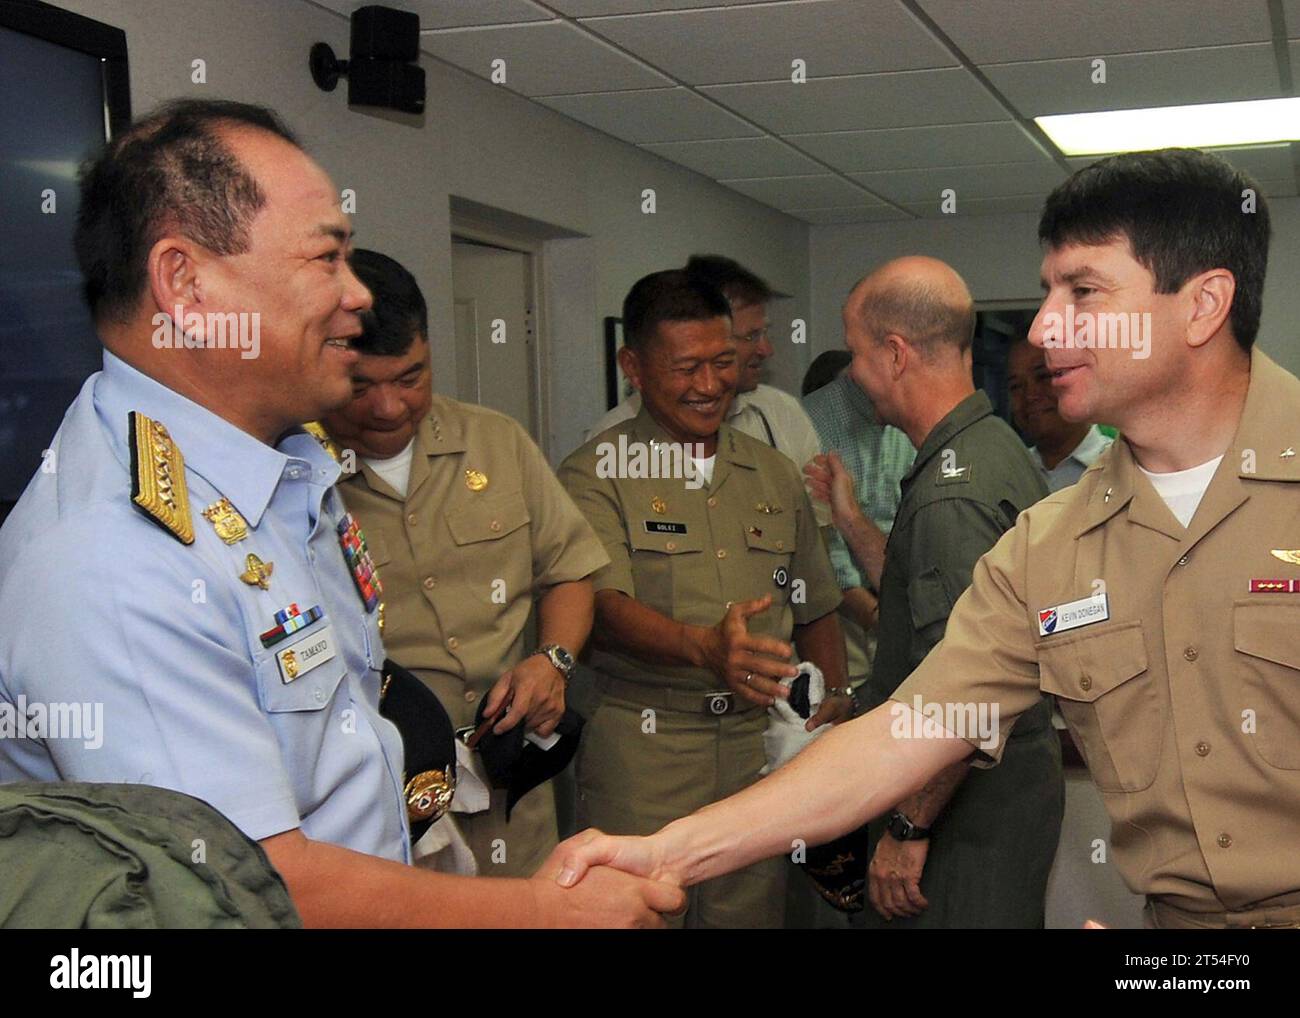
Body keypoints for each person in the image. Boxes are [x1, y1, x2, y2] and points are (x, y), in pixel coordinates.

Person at [554, 148, 1296, 931]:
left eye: (1082, 291)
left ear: (1204, 303)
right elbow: (900, 739)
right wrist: (669, 851)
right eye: (1049, 292)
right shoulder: (1053, 544)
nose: (1045, 326)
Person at [0, 98, 682, 928]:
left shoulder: (279, 474)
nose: (358, 296)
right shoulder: (117, 555)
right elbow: (248, 882)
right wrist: (542, 913)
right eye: (326, 258)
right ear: (185, 282)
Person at [558, 269, 851, 927]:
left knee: (749, 917)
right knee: (637, 915)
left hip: (757, 750)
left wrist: (834, 699)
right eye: (686, 367)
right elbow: (601, 609)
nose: (710, 384)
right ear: (632, 365)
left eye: (724, 362)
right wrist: (702, 647)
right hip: (644, 750)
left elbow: (814, 601)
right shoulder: (593, 474)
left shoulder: (771, 470)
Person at [317, 248, 607, 877]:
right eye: (362, 386)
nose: (390, 408)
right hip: (377, 803)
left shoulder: (496, 441)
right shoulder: (293, 472)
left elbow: (570, 569)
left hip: (507, 786)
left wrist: (553, 661)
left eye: (411, 377)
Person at [807, 257, 1062, 928]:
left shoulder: (955, 494)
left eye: (858, 355)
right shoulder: (984, 448)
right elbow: (937, 598)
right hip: (985, 795)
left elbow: (971, 691)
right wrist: (852, 521)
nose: (853, 374)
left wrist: (909, 828)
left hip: (962, 816)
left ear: (894, 355)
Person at [588, 255, 828, 523]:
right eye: (750, 336)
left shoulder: (781, 412)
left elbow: (817, 522)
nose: (766, 349)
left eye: (764, 333)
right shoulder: (614, 443)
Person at [1007, 335, 1113, 490]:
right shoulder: (1010, 472)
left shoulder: (1121, 466)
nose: (1030, 395)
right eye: (1016, 386)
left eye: (1043, 376)